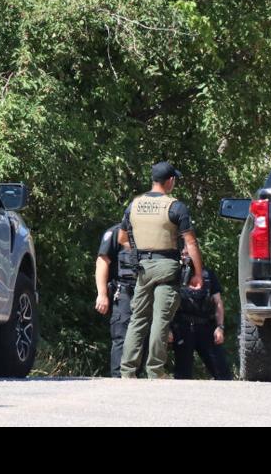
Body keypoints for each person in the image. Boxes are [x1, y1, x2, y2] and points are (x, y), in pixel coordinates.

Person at [118, 161, 203, 379]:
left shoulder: (134, 205)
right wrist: (197, 274)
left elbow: (122, 238)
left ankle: (127, 371)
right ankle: (155, 371)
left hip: (142, 268)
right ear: (170, 181)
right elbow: (191, 243)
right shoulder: (175, 207)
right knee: (161, 318)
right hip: (166, 266)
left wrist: (140, 250)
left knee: (138, 318)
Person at [94, 222, 145, 377]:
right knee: (121, 337)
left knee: (144, 338)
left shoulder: (151, 232)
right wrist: (102, 294)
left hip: (146, 292)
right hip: (124, 293)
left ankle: (136, 378)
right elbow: (102, 261)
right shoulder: (116, 232)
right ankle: (118, 379)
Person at [171, 263, 232, 380]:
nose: (185, 256)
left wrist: (220, 327)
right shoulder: (175, 273)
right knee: (182, 374)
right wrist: (168, 328)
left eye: (189, 254)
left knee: (222, 372)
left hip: (206, 326)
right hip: (182, 327)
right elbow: (167, 304)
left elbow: (218, 302)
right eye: (183, 254)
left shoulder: (208, 275)